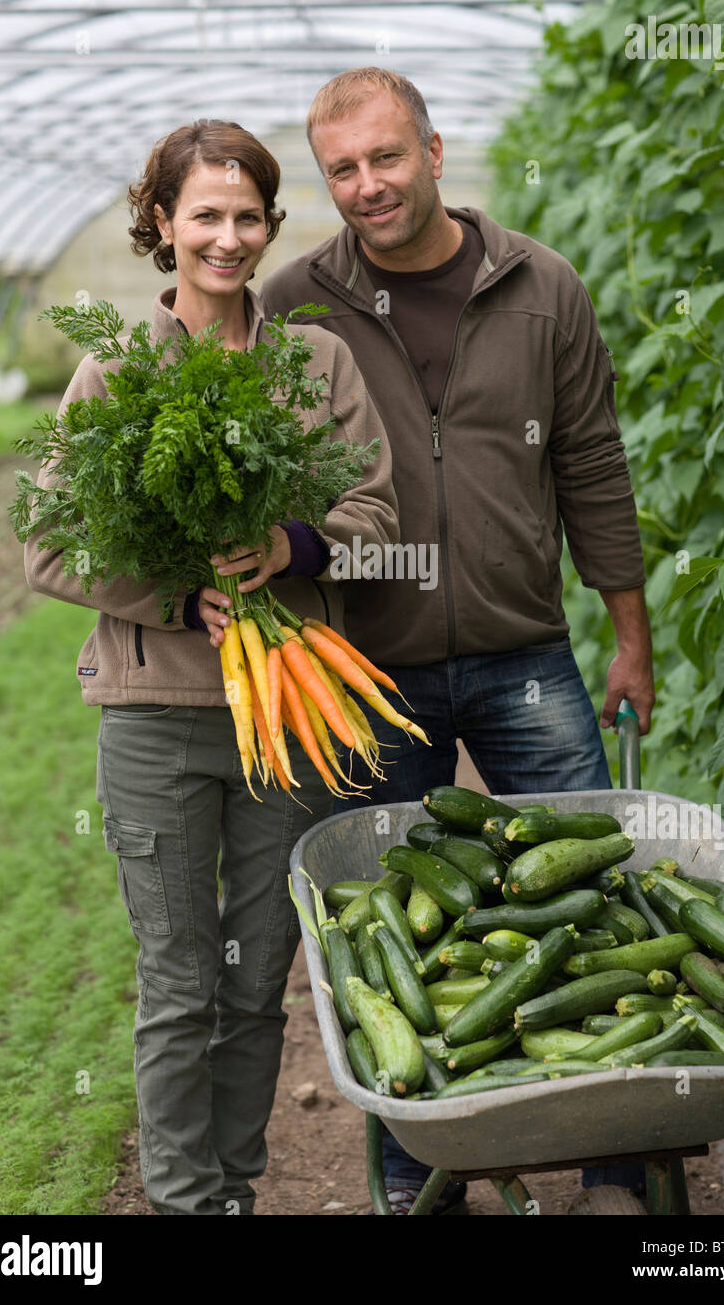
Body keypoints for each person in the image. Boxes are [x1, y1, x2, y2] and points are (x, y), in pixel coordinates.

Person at [248, 69, 655, 1215]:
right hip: (366, 672)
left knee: (598, 896)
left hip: (527, 652)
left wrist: (628, 639)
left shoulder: (540, 286)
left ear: (432, 148)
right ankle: (419, 1175)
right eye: (341, 170)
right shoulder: (295, 303)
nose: (366, 186)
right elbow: (272, 489)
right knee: (382, 929)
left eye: (384, 157)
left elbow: (591, 469)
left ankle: (612, 1173)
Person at [23, 119, 399, 1216]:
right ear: (161, 225)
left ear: (270, 227)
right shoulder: (118, 371)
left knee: (254, 980)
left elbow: (377, 512)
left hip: (291, 716)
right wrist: (180, 598)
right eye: (205, 216)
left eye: (247, 217)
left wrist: (291, 547)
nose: (228, 239)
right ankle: (186, 1202)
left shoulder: (313, 359)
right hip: (158, 720)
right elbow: (52, 541)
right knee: (179, 982)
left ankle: (233, 1186)